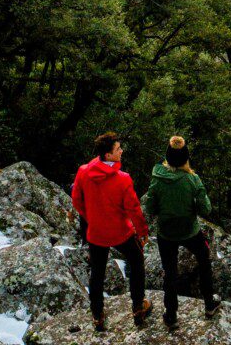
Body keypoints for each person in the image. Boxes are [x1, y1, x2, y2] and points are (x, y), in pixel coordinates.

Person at [72, 131, 153, 332]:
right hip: (120, 233)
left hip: (96, 233)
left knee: (97, 273)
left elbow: (76, 200)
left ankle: (97, 316)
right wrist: (142, 232)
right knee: (136, 261)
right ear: (108, 155)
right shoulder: (122, 179)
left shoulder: (83, 171)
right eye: (118, 149)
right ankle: (137, 307)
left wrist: (91, 218)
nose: (121, 151)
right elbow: (133, 209)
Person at [142, 135, 221, 330]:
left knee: (170, 273)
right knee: (204, 260)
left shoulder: (157, 179)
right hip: (189, 231)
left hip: (166, 233)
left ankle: (171, 315)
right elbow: (206, 209)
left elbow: (150, 208)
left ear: (168, 157)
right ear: (186, 157)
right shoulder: (192, 179)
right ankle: (209, 303)